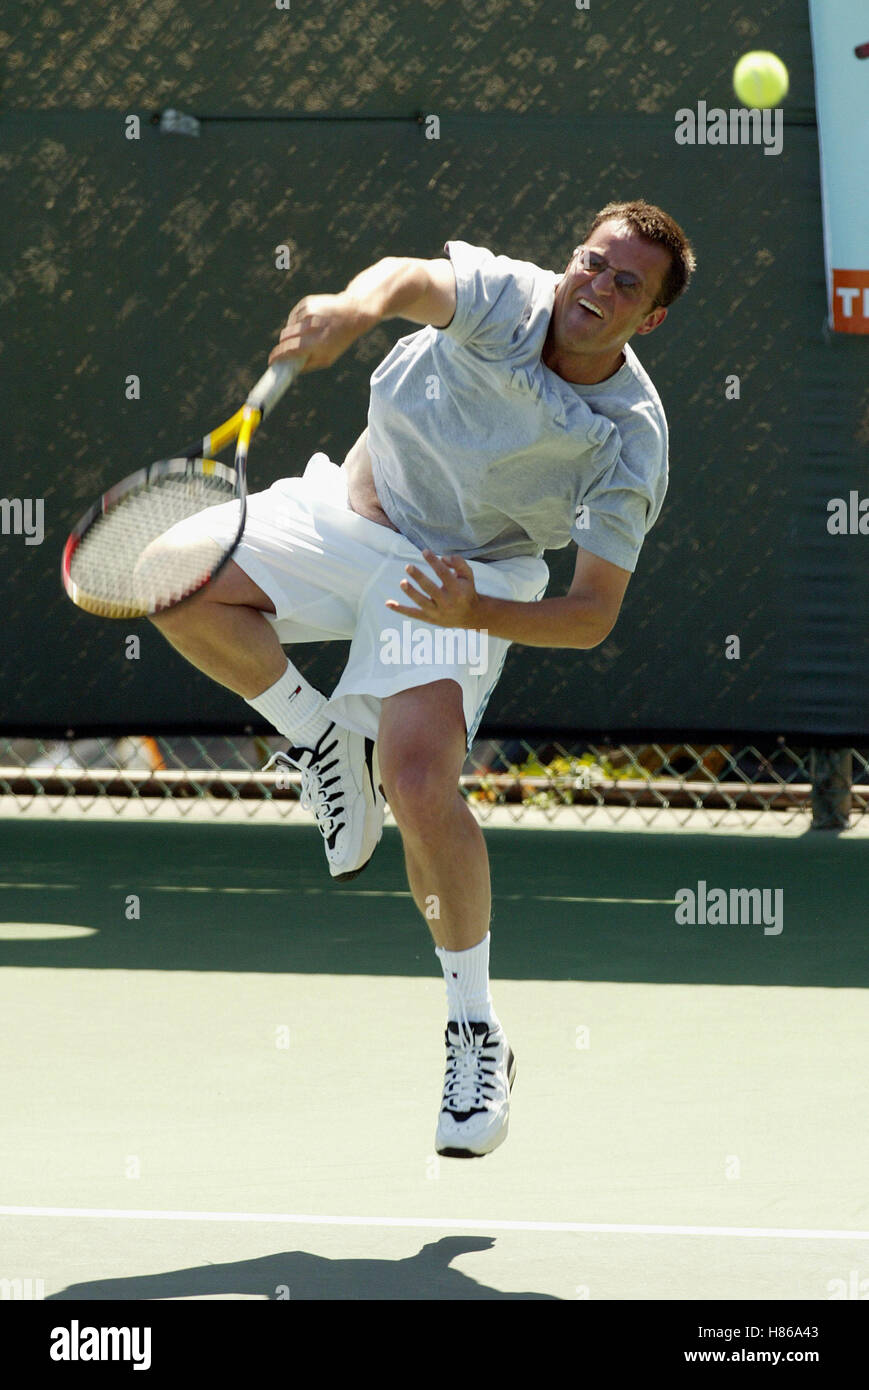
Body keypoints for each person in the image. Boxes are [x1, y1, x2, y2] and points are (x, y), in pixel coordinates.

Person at [149, 198, 696, 1158]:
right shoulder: (509, 298)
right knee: (167, 582)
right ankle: (318, 739)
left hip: (459, 581)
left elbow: (591, 614)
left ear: (648, 318)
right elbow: (404, 277)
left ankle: (474, 1031)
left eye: (625, 284)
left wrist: (474, 612)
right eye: (591, 262)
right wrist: (350, 310)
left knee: (414, 783)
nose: (594, 288)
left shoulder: (629, 437)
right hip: (344, 514)